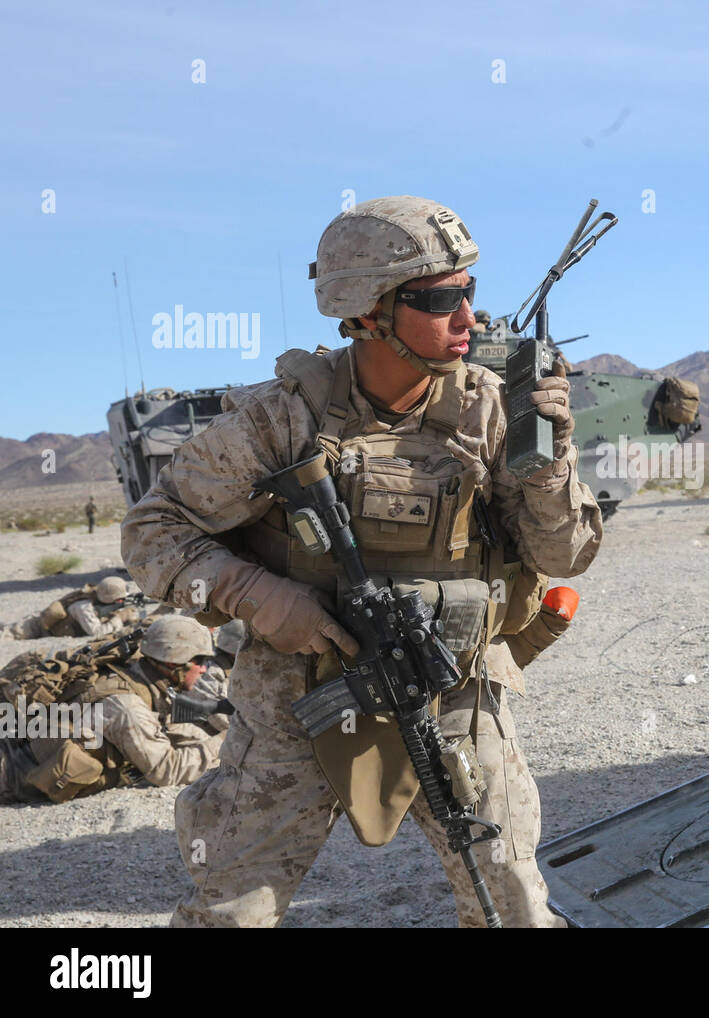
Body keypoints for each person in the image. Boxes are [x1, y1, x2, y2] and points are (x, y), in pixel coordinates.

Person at [120, 195, 602, 928]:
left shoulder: (494, 410)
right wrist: (261, 597)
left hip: (453, 681)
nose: (467, 316)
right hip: (300, 688)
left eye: (468, 291)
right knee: (233, 907)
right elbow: (153, 533)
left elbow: (564, 554)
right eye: (440, 298)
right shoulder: (280, 418)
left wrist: (549, 461)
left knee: (510, 897)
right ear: (367, 309)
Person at [0, 615, 226, 803]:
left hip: (21, 741)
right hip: (13, 774)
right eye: (201, 661)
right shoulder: (127, 707)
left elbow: (166, 725)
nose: (204, 670)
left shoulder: (135, 671)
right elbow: (167, 770)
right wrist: (228, 740)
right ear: (173, 663)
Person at [0, 575, 147, 641]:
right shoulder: (83, 607)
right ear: (111, 599)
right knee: (6, 634)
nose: (122, 601)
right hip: (37, 626)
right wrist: (119, 618)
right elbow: (96, 632)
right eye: (120, 599)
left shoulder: (103, 600)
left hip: (50, 628)